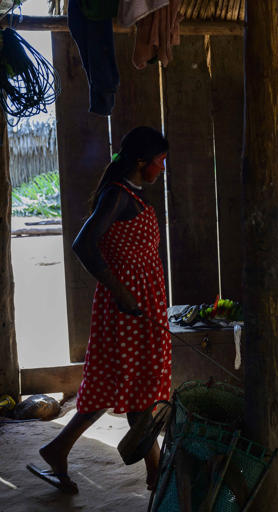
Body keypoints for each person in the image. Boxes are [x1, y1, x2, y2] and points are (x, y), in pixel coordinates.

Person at [27, 127, 171, 494]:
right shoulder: (117, 196)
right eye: (160, 161)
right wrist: (121, 293)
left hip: (139, 304)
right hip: (125, 308)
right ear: (141, 161)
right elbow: (84, 245)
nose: (162, 168)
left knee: (129, 385)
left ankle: (60, 449)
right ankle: (155, 471)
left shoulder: (132, 195)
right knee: (130, 385)